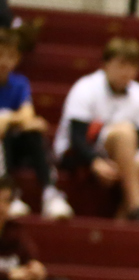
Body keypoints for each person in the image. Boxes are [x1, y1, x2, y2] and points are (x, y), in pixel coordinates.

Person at [54, 37, 139, 221]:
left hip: (119, 155)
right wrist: (95, 161)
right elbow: (76, 137)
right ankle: (138, 206)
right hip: (80, 152)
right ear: (106, 64)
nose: (127, 72)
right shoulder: (86, 87)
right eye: (121, 64)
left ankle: (121, 223)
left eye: (132, 66)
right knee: (124, 131)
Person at [0, 28, 72, 218]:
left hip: (14, 146)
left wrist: (6, 119)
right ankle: (8, 195)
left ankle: (50, 192)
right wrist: (13, 119)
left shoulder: (19, 83)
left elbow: (29, 118)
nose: (4, 61)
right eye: (0, 55)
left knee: (33, 134)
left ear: (17, 58)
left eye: (10, 56)